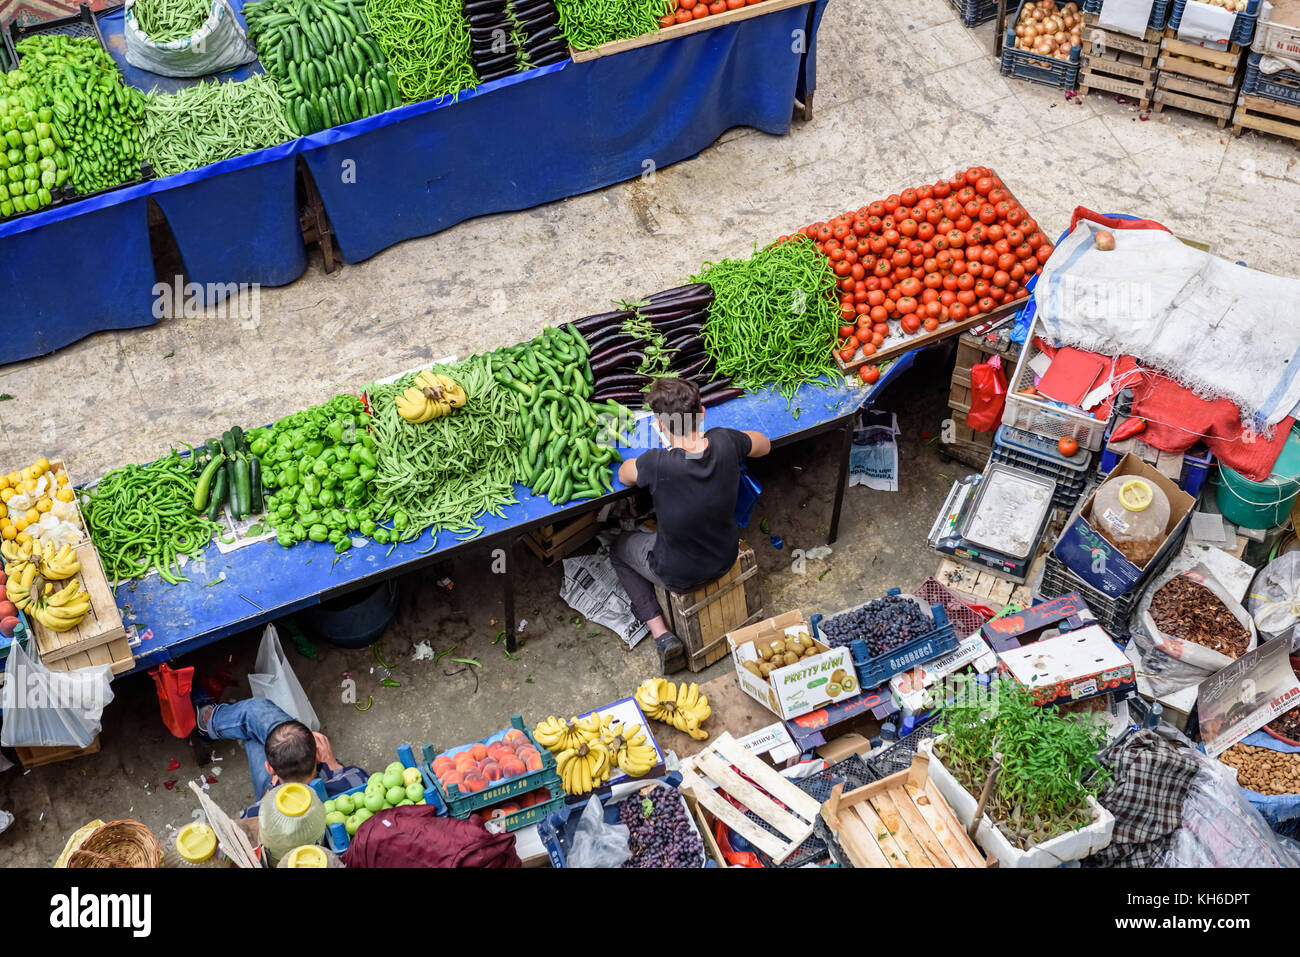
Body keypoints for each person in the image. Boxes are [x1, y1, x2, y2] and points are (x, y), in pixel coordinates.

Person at [611, 376, 770, 673]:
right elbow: (764, 445)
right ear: (703, 413)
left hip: (678, 575)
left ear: (660, 426)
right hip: (725, 557)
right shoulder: (726, 441)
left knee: (618, 547)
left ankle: (661, 635)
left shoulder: (656, 463)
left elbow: (624, 474)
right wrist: (737, 441)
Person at [193, 692, 366, 817]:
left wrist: (271, 791)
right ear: (319, 754)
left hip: (275, 796)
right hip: (317, 780)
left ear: (269, 768)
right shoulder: (355, 779)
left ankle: (209, 724)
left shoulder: (257, 814)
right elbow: (358, 779)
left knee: (254, 720)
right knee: (257, 733)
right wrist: (334, 767)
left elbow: (253, 821)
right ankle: (214, 724)